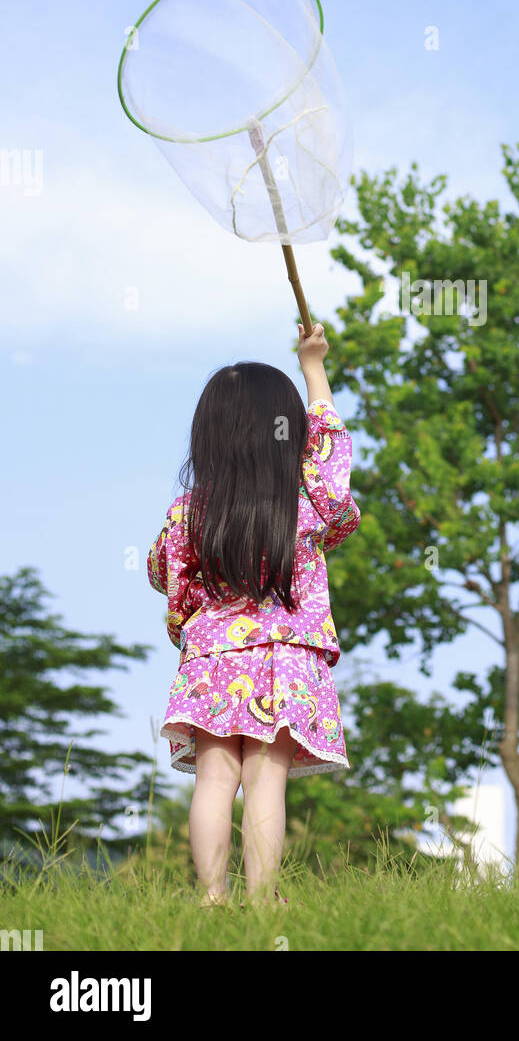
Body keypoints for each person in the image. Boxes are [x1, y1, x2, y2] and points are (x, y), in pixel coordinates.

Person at [147, 322, 360, 906]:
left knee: (215, 781)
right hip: (284, 662)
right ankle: (264, 900)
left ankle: (211, 896)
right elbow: (333, 470)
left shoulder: (188, 511)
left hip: (212, 662)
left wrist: (190, 630)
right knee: (267, 782)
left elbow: (166, 575)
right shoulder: (307, 504)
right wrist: (314, 366)